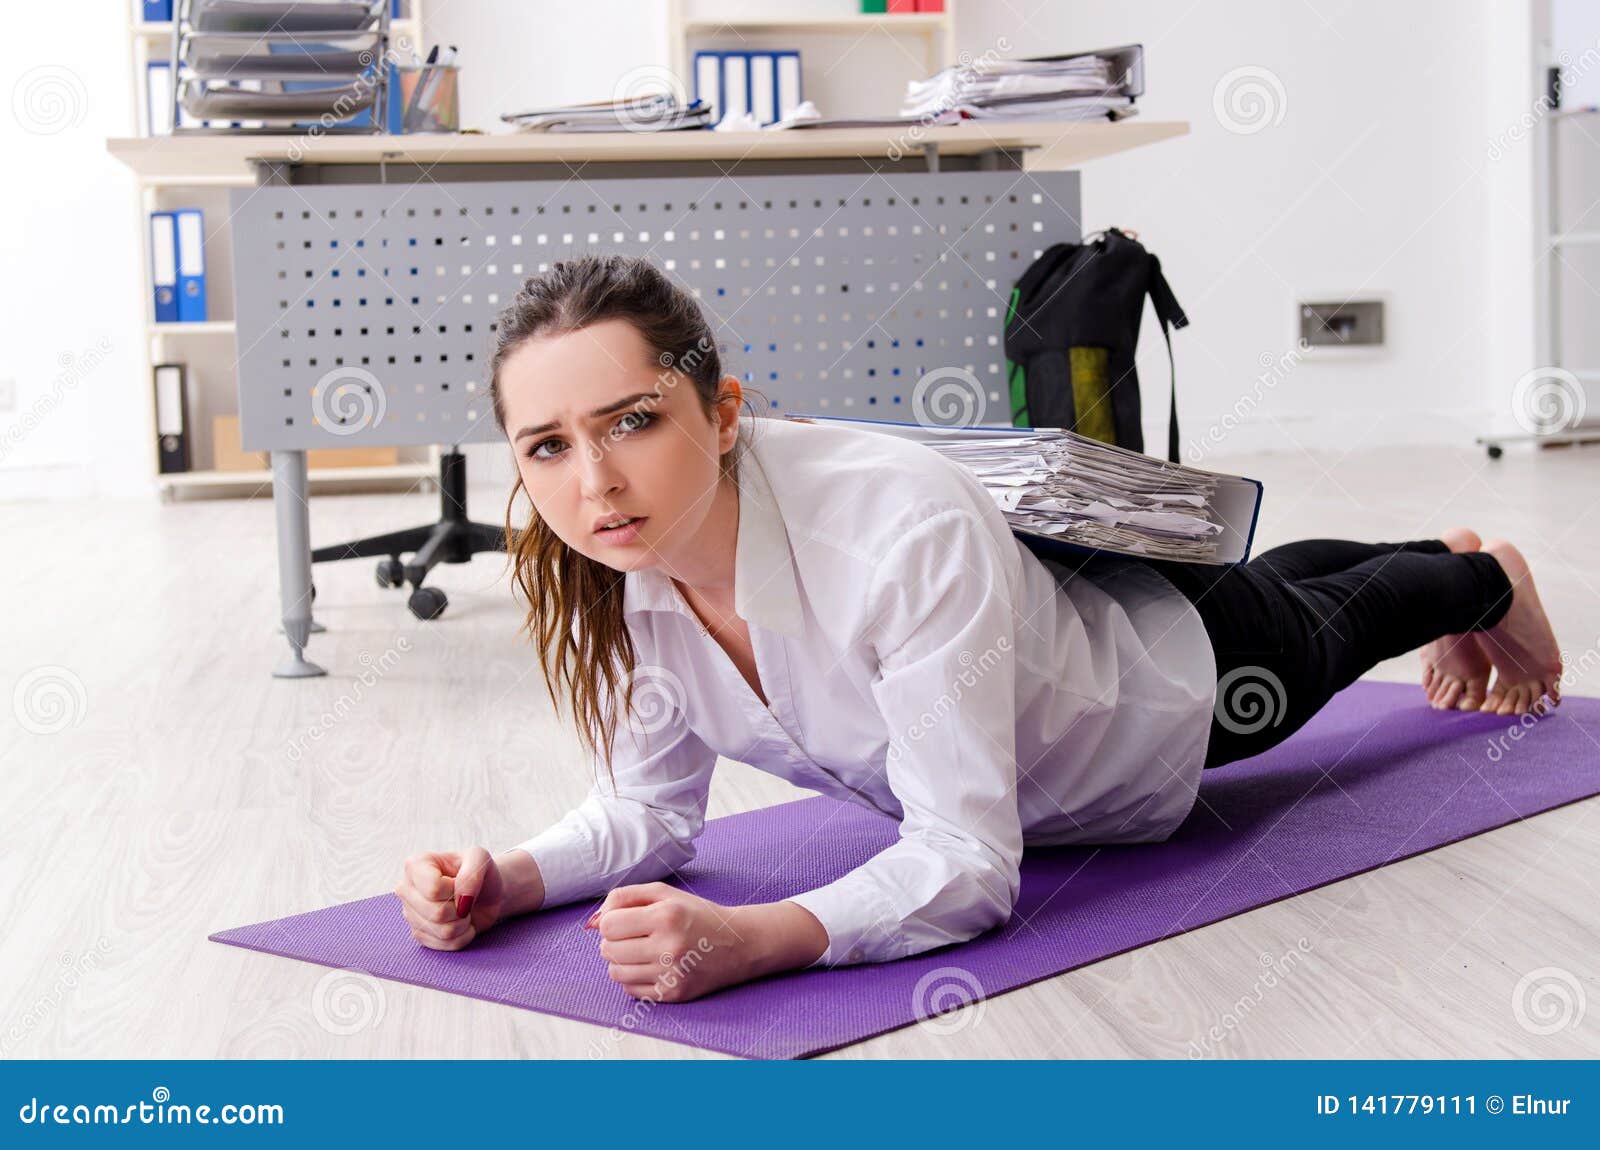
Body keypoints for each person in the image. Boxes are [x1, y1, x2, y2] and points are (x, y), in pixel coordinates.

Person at [394, 255, 1564, 1003]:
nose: (593, 479)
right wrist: (508, 876)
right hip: (1067, 622)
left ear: (723, 408)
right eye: (547, 444)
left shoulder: (893, 525)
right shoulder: (612, 565)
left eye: (632, 421)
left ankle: (1482, 584)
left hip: (1169, 689)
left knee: (1319, 630)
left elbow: (965, 862)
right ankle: (1444, 554)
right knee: (1299, 585)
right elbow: (648, 808)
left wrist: (760, 938)